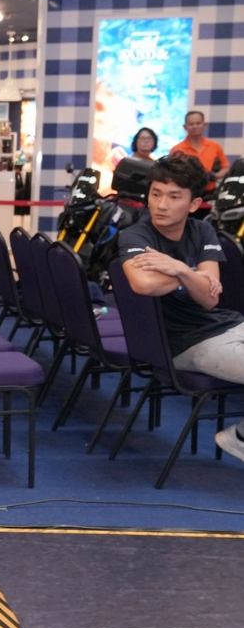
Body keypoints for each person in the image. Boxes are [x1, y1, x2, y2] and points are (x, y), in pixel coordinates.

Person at [119, 154, 244, 464]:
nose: (161, 204)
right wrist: (194, 274)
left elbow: (209, 298)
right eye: (156, 193)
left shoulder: (202, 231)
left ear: (193, 203)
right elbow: (143, 284)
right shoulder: (136, 235)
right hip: (183, 343)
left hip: (225, 325)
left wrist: (180, 270)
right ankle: (238, 438)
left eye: (174, 196)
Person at [170, 111, 230, 203]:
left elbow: (226, 168)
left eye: (198, 123)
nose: (195, 126)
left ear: (204, 125)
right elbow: (171, 174)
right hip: (186, 194)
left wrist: (214, 175)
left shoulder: (215, 146)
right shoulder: (177, 149)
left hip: (210, 195)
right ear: (185, 127)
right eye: (191, 124)